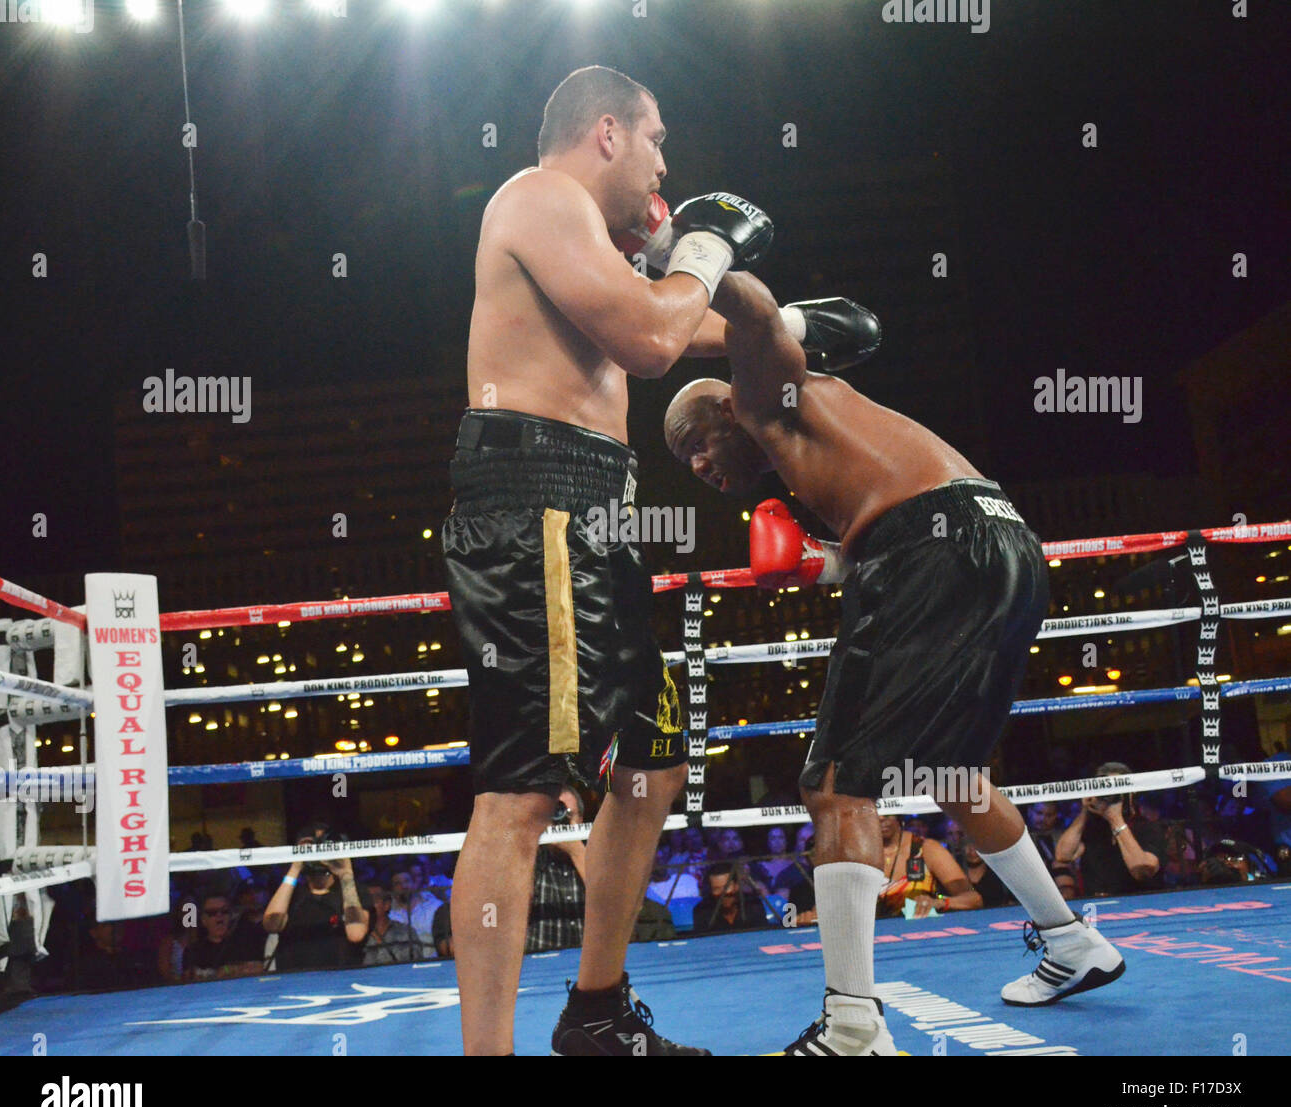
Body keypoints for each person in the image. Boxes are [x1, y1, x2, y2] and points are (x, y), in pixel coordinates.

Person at [663, 270, 1124, 1054]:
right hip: (999, 541)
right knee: (954, 776)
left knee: (836, 787)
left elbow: (756, 313)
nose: (701, 469)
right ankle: (1072, 940)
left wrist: (693, 253)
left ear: (722, 405)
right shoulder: (823, 421)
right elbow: (890, 529)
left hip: (931, 549)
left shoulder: (759, 391)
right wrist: (823, 565)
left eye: (695, 444)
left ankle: (852, 1028)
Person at [440, 64, 774, 1056]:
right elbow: (651, 337)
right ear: (606, 133)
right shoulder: (538, 196)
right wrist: (705, 249)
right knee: (520, 794)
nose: (665, 162)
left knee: (652, 766)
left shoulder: (586, 237)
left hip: (598, 512)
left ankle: (595, 1011)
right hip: (534, 499)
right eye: (657, 138)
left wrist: (787, 330)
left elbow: (685, 323)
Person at [263, 824, 370, 972]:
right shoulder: (290, 893)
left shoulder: (353, 892)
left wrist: (346, 875)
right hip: (294, 980)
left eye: (321, 845)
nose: (316, 852)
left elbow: (356, 934)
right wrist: (295, 868)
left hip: (341, 979)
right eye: (311, 846)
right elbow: (272, 925)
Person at [1053, 763, 1164, 896]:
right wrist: (1084, 811)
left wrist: (1115, 819)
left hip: (1137, 902)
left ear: (1131, 792)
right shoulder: (1090, 827)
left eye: (1115, 790)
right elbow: (1063, 856)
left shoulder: (1148, 827)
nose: (1110, 795)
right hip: (1096, 906)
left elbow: (1141, 871)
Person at [875, 815, 981, 919]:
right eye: (874, 813)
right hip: (867, 932)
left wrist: (939, 902)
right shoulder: (859, 855)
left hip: (918, 930)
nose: (881, 818)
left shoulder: (927, 849)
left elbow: (973, 899)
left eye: (887, 814)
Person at [526, 787, 589, 953]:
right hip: (541, 963)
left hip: (588, 964)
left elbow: (610, 906)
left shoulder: (596, 857)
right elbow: (512, 916)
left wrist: (576, 850)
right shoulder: (531, 858)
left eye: (568, 815)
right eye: (555, 813)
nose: (561, 822)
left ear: (581, 821)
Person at [182, 890, 266, 981]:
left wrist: (229, 969)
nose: (219, 917)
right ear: (203, 920)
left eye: (224, 911)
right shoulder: (193, 951)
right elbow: (189, 979)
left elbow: (261, 967)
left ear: (231, 915)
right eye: (212, 913)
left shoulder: (247, 943)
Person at [691, 863, 769, 933]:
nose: (723, 894)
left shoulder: (753, 905)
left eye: (726, 887)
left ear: (737, 886)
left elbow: (762, 937)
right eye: (716, 889)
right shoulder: (701, 911)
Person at [363, 885, 426, 966]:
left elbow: (416, 965)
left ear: (387, 905)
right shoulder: (357, 937)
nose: (367, 905)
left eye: (373, 900)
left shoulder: (405, 932)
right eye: (365, 900)